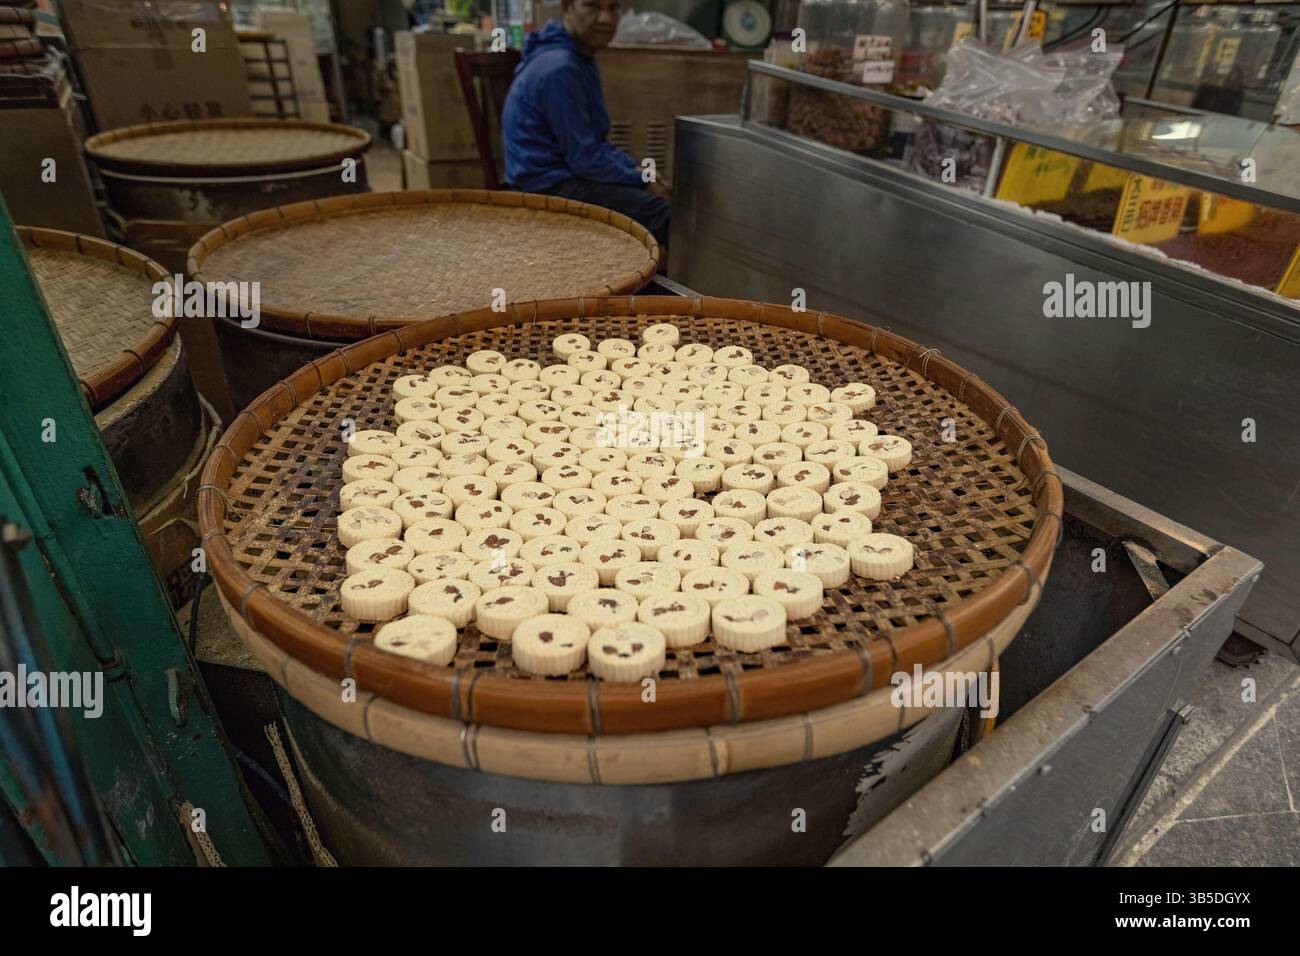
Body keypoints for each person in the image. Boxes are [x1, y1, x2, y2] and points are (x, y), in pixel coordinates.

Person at [501, 0, 671, 249]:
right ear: (567, 9)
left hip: (567, 172)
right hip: (547, 185)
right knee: (666, 215)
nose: (605, 18)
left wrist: (638, 170)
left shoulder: (579, 58)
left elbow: (595, 143)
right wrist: (640, 180)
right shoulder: (561, 68)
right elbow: (584, 158)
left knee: (656, 189)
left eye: (613, 8)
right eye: (592, 6)